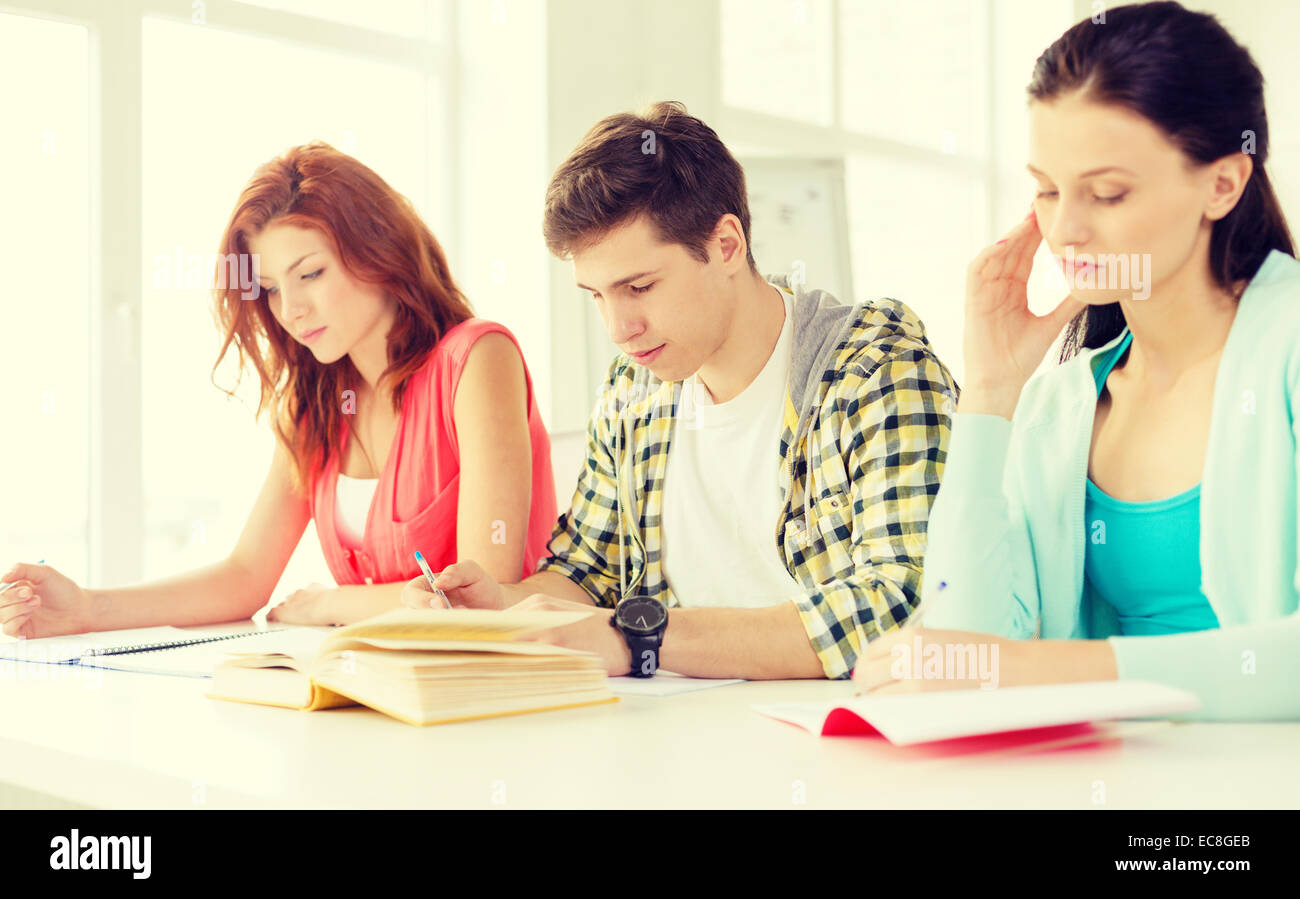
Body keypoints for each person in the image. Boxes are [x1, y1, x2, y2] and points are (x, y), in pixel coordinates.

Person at [402, 101, 958, 680]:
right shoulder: (634, 387)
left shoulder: (877, 374)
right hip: (672, 742)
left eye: (639, 286)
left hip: (841, 743)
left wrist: (641, 637)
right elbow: (591, 570)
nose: (619, 329)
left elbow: (902, 606)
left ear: (725, 245)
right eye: (596, 295)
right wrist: (499, 607)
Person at [854, 1, 1300, 720]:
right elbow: (966, 647)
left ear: (1222, 183)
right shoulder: (1060, 404)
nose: (1067, 229)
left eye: (1108, 192)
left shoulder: (1287, 351)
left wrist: (1039, 670)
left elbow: (1004, 667)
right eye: (1048, 189)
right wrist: (992, 393)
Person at [1, 142, 556, 637]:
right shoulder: (313, 406)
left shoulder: (477, 361)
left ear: (378, 249)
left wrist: (332, 605)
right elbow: (245, 577)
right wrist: (87, 609)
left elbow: (479, 596)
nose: (289, 310)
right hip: (371, 697)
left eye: (310, 274)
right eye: (269, 289)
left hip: (489, 700)